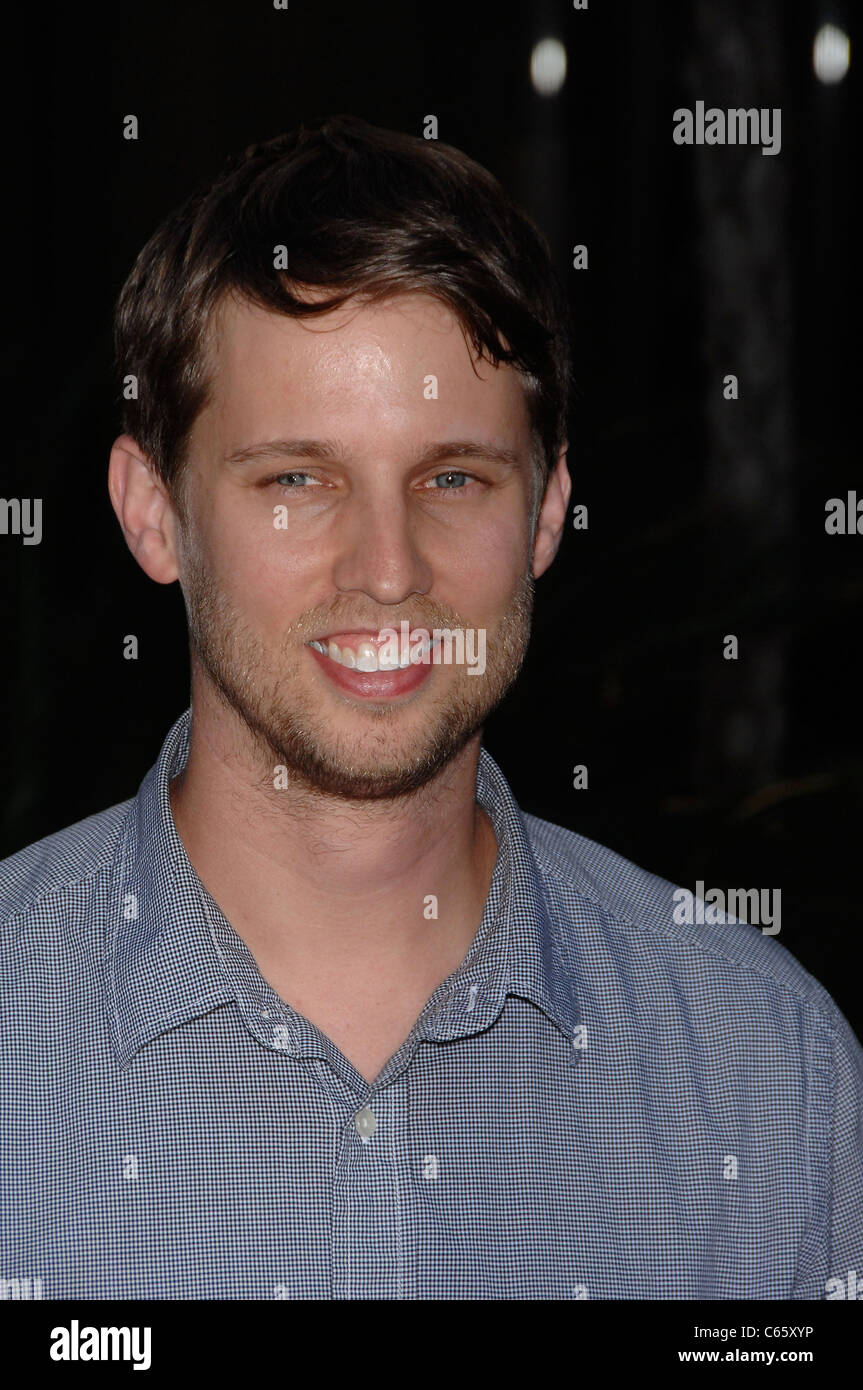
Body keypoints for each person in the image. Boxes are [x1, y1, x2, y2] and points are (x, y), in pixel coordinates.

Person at [1, 115, 861, 1301]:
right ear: (153, 513)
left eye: (452, 476)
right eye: (297, 479)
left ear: (547, 511)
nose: (388, 568)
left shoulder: (769, 1073)